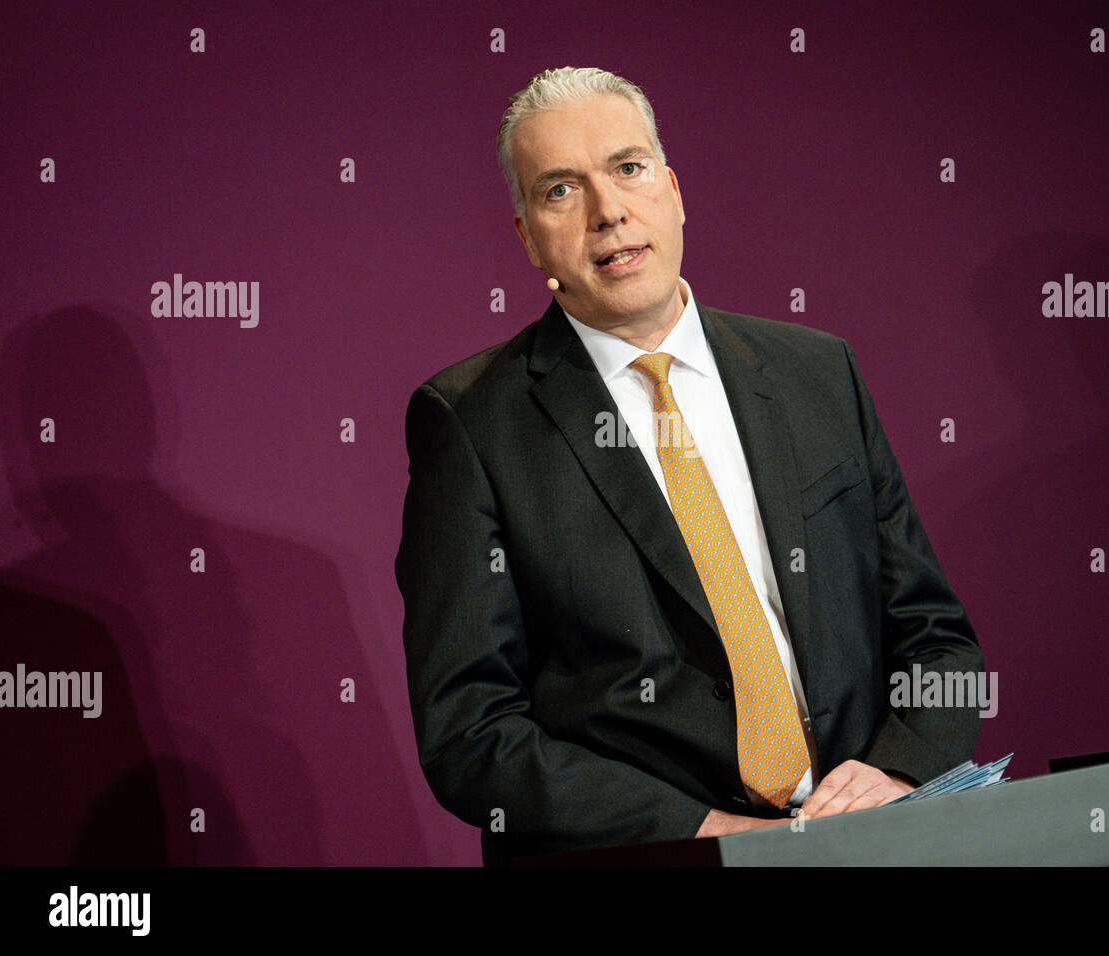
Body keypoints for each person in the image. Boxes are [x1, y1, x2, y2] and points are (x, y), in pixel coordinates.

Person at [395, 66, 985, 866]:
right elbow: (470, 731)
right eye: (561, 190)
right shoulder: (471, 423)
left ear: (672, 191)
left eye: (628, 169)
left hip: (864, 842)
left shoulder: (819, 372)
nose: (609, 213)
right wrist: (710, 835)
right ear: (528, 237)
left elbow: (935, 635)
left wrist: (895, 770)